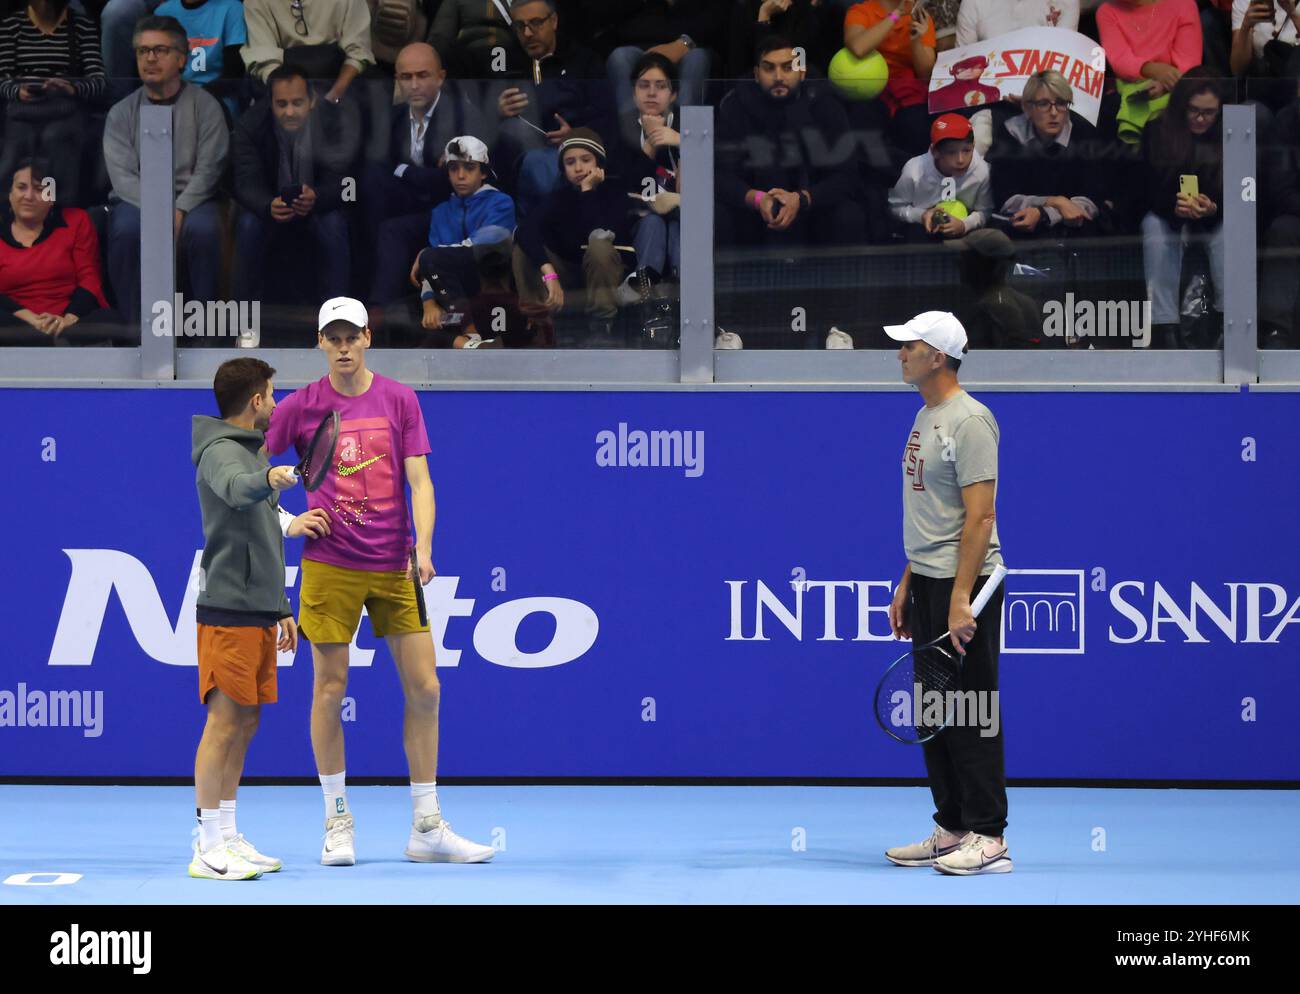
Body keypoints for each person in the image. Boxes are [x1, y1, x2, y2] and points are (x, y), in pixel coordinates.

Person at [263, 297, 496, 866]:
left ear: (368, 337)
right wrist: (289, 520)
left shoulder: (399, 398)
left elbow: (421, 480)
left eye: (352, 336)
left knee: (426, 689)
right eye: (332, 338)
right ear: (320, 343)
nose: (343, 347)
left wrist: (426, 546)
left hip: (395, 566)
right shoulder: (298, 407)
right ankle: (337, 821)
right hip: (329, 565)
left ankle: (426, 826)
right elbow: (254, 481)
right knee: (328, 689)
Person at [189, 357, 329, 880]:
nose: (276, 402)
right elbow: (236, 490)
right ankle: (205, 845)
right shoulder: (222, 453)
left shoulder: (253, 451)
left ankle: (226, 832)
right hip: (227, 610)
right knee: (223, 723)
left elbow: (264, 527)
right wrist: (268, 476)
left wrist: (282, 608)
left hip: (258, 610)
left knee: (247, 721)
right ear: (255, 400)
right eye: (271, 394)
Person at [883, 309, 1010, 876]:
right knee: (934, 712)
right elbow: (930, 515)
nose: (900, 353)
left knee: (972, 708)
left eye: (909, 346)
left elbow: (980, 519)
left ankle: (989, 837)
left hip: (970, 582)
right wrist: (908, 583)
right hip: (931, 580)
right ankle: (952, 826)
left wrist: (961, 598)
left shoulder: (971, 421)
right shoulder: (925, 415)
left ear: (938, 356)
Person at [102, 15, 227, 329]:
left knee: (204, 231)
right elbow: (123, 177)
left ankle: (205, 330)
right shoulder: (121, 113)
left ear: (182, 58)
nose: (150, 58)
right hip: (137, 202)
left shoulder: (206, 106)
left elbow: (210, 168)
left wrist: (180, 208)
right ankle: (132, 330)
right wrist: (159, 212)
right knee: (126, 231)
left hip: (193, 201)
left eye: (160, 50)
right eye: (143, 51)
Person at [361, 42, 488, 305]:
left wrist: (403, 171)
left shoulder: (465, 117)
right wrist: (419, 175)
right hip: (407, 205)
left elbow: (452, 182)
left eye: (422, 75)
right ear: (397, 79)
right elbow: (375, 167)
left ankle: (380, 312)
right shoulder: (391, 118)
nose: (414, 85)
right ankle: (369, 306)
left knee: (391, 229)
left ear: (441, 77)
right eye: (406, 77)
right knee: (369, 188)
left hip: (452, 210)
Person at [715, 36, 864, 248]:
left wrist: (801, 199)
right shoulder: (736, 106)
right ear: (756, 75)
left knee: (849, 216)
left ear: (802, 72)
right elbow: (721, 175)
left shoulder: (825, 105)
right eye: (769, 69)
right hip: (755, 211)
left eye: (788, 68)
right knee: (718, 215)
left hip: (813, 208)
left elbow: (847, 175)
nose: (778, 77)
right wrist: (757, 199)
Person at [231, 65, 353, 307]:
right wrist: (267, 205)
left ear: (312, 100)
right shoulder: (251, 125)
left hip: (318, 207)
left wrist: (317, 196)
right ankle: (243, 324)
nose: (289, 112)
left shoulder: (334, 122)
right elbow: (244, 181)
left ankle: (336, 317)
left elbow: (347, 182)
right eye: (281, 104)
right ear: (271, 103)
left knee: (334, 224)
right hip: (269, 208)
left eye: (297, 103)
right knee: (247, 225)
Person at [1129, 67, 1224, 347]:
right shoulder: (1157, 130)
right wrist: (1174, 206)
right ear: (1181, 105)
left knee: (1232, 230)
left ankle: (1229, 321)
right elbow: (1144, 190)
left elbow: (1245, 191)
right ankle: (1163, 326)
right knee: (1153, 227)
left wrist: (1214, 207)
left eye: (1209, 113)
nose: (1200, 118)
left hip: (1215, 217)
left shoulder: (1229, 133)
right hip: (1168, 214)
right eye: (1194, 110)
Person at [492, 0, 614, 217]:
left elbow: (607, 115)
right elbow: (481, 118)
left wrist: (576, 135)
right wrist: (497, 110)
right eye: (520, 26)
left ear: (554, 21)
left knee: (541, 162)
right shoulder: (505, 62)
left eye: (536, 23)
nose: (528, 33)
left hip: (574, 153)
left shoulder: (584, 60)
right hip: (522, 155)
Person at [513, 128, 634, 340]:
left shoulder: (616, 192)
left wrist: (588, 191)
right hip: (569, 274)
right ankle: (538, 323)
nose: (578, 168)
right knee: (522, 247)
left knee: (599, 245)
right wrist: (549, 272)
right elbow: (526, 230)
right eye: (570, 162)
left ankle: (602, 327)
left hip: (606, 276)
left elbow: (597, 232)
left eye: (586, 160)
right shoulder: (560, 196)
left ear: (599, 162)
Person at [402, 137, 517, 343]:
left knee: (430, 256)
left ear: (483, 172)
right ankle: (466, 343)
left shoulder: (501, 202)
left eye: (469, 168)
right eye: (453, 168)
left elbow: (484, 247)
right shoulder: (440, 211)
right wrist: (428, 302)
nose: (460, 175)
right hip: (453, 289)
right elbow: (433, 262)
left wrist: (426, 256)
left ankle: (470, 332)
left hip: (490, 276)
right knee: (409, 318)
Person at [0, 158, 123, 345]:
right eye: (21, 187)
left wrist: (66, 320)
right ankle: (45, 342)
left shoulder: (77, 221)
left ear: (51, 197)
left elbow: (89, 278)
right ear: (10, 194)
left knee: (111, 320)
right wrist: (32, 320)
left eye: (39, 189)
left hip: (70, 323)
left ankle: (54, 341)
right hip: (16, 324)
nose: (28, 196)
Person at [0, 0, 107, 207]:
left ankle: (57, 210)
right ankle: (9, 215)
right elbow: (2, 77)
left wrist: (72, 88)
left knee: (57, 140)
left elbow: (98, 81)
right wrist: (17, 90)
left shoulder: (81, 26)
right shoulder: (12, 26)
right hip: (23, 111)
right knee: (16, 147)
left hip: (64, 110)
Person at [986, 69, 1111, 238]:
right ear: (1028, 108)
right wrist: (1056, 201)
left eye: (1060, 103)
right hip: (1022, 223)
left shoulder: (1083, 133)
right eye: (1044, 104)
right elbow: (1005, 199)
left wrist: (1044, 213)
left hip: (1072, 226)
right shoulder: (1010, 133)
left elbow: (1093, 198)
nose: (1054, 113)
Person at [1098, 0, 1203, 142]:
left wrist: (1164, 84)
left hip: (1175, 88)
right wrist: (1153, 70)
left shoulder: (1184, 4)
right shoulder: (1106, 11)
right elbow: (1119, 59)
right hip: (1128, 89)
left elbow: (1189, 63)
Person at [842, 0, 937, 157]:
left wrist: (916, 40)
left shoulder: (920, 17)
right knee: (865, 125)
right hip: (869, 88)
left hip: (907, 91)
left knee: (915, 125)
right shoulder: (861, 11)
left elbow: (925, 74)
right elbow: (858, 47)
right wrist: (896, 14)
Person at [241, 0, 374, 105]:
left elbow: (358, 52)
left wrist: (333, 97)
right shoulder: (255, 2)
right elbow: (265, 61)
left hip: (340, 89)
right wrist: (294, 101)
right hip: (283, 93)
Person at [888, 113, 993, 240]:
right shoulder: (913, 171)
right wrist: (921, 215)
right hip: (921, 231)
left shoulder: (983, 171)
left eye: (967, 150)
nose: (960, 160)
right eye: (951, 152)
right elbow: (895, 208)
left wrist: (964, 225)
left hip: (967, 234)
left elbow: (985, 211)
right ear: (935, 152)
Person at [726, 0, 841, 80]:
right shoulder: (743, 8)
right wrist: (764, 18)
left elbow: (796, 61)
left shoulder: (804, 10)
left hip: (797, 92)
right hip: (754, 92)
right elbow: (740, 69)